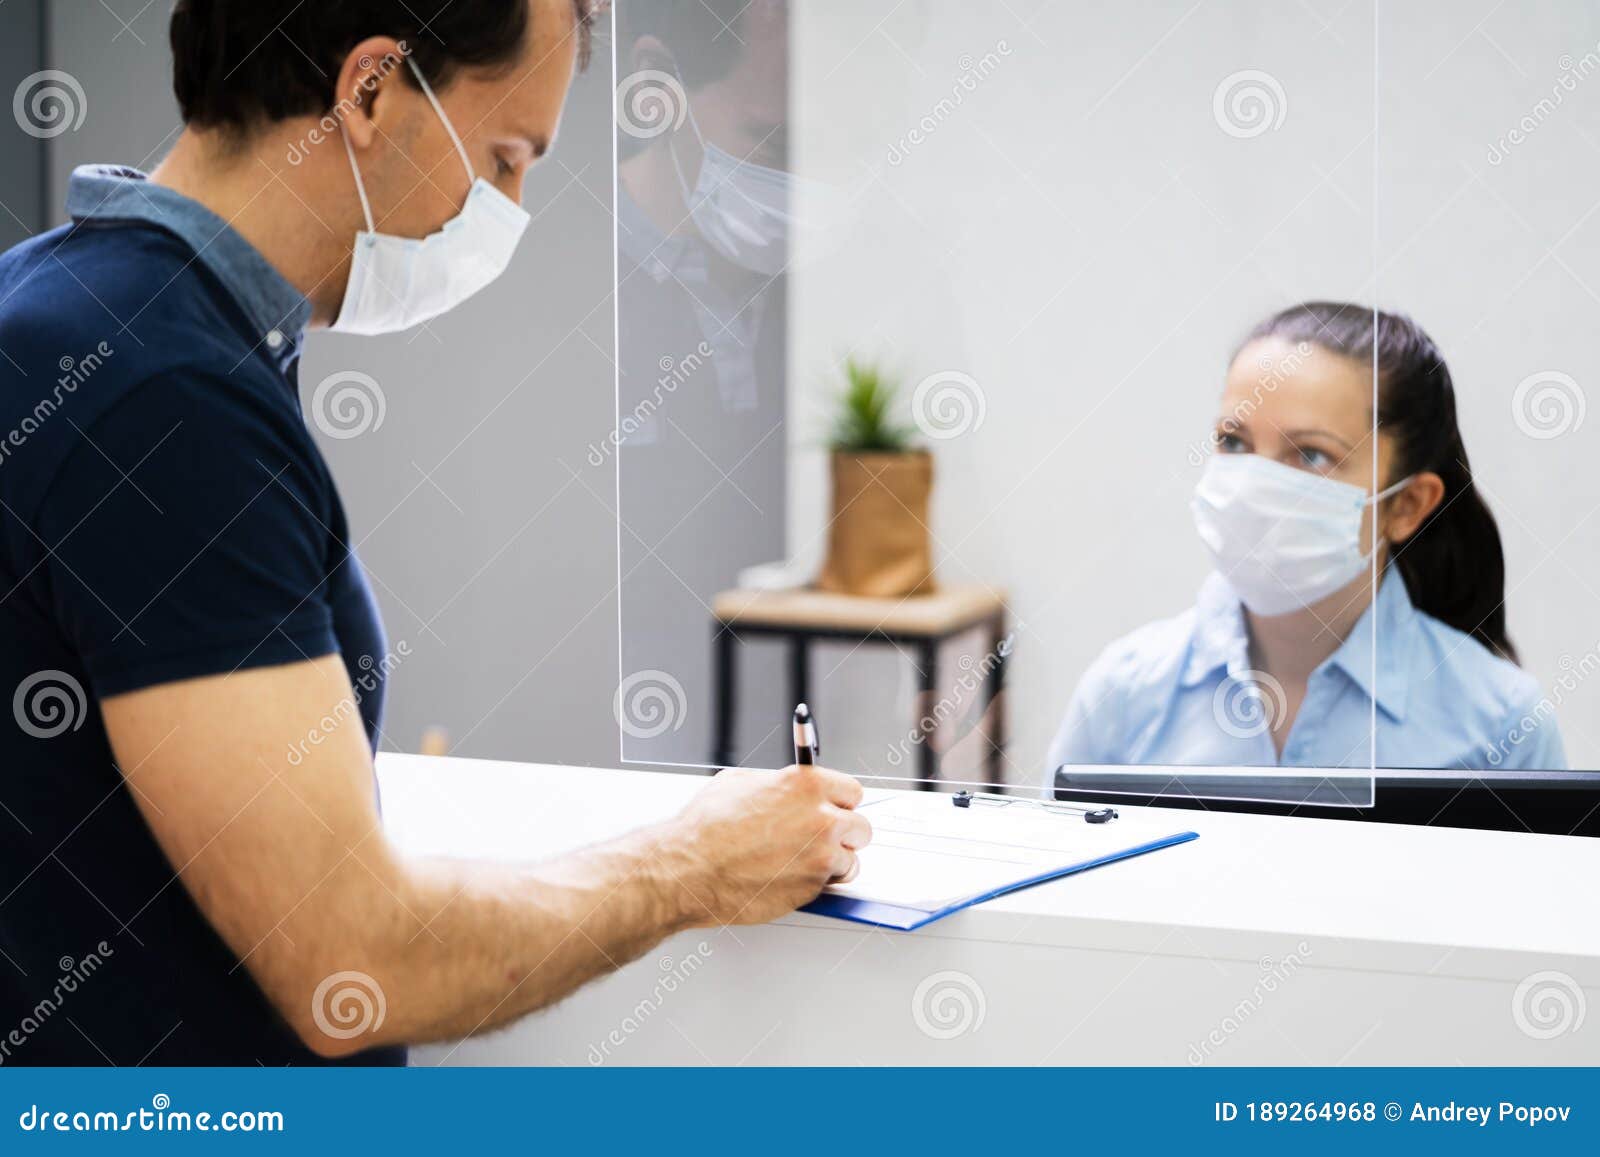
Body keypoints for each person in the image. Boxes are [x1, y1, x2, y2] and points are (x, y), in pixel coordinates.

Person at [0, 0, 870, 1066]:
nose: (504, 209)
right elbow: (351, 966)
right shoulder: (164, 396)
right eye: (505, 160)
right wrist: (694, 861)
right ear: (368, 91)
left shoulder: (59, 303)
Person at [1047, 302, 1564, 779]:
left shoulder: (1503, 727)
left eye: (1311, 454)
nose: (1253, 482)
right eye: (1234, 441)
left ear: (1405, 505)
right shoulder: (1122, 694)